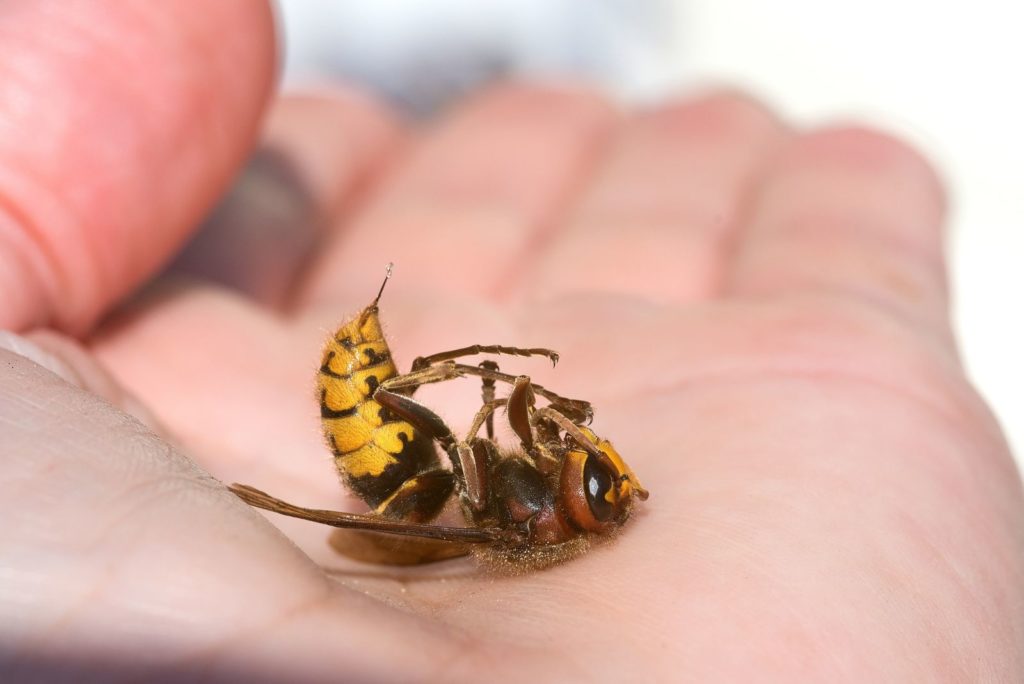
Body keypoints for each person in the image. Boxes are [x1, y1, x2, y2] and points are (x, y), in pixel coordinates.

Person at [1, 3, 1021, 681]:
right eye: (596, 472)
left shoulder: (499, 508)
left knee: (449, 431)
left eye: (591, 481)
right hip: (417, 448)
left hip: (401, 477)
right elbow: (539, 439)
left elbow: (490, 433)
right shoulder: (539, 485)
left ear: (552, 515)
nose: (590, 467)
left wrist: (262, 505)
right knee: (463, 416)